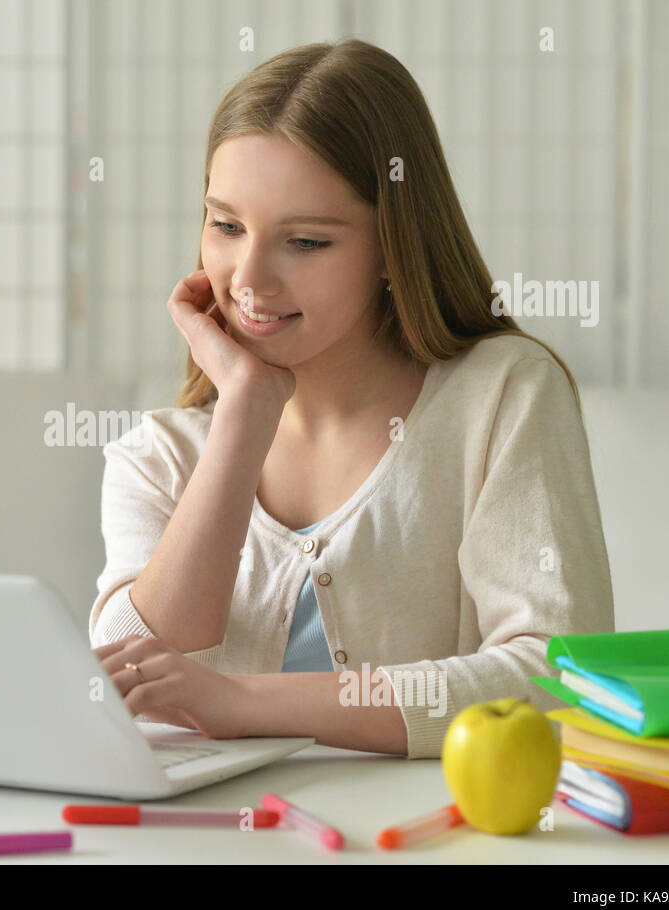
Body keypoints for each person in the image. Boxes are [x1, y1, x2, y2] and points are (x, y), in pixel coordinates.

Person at [87, 38, 614, 759]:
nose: (249, 279)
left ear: (395, 247)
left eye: (304, 241)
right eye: (227, 225)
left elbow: (559, 676)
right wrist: (242, 416)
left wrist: (245, 701)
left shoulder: (503, 396)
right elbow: (124, 670)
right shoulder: (161, 456)